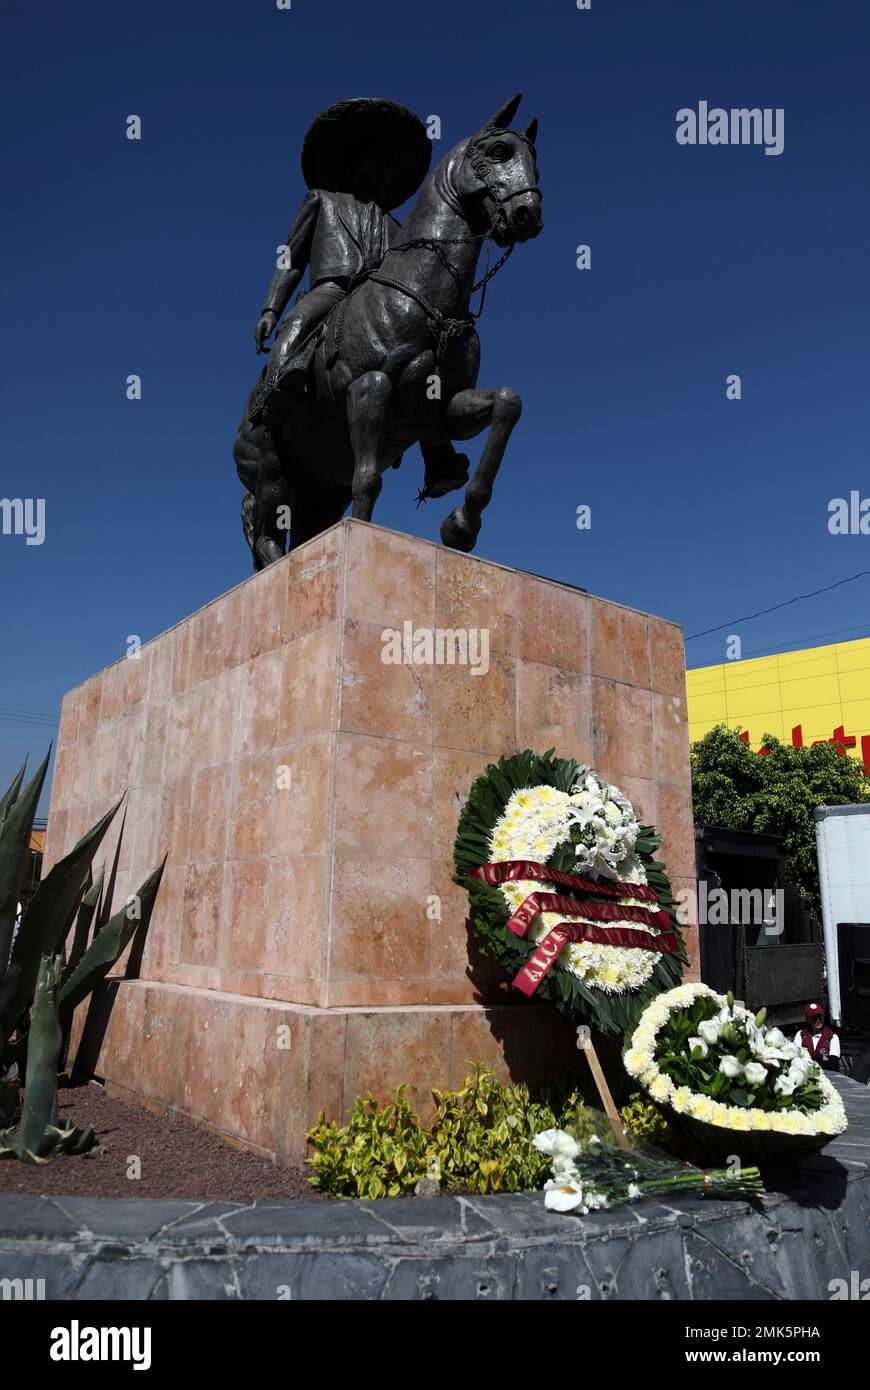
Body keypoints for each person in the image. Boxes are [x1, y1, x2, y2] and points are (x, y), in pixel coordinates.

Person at [248, 97, 468, 498]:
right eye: (372, 163)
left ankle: (438, 453)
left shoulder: (400, 227)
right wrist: (270, 308)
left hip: (379, 304)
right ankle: (277, 391)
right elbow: (291, 261)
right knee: (299, 324)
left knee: (419, 356)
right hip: (332, 291)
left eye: (386, 167)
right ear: (354, 168)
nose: (380, 171)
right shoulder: (323, 201)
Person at [794, 1002, 841, 1071]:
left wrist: (806, 1057)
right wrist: (821, 1058)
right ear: (807, 1020)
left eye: (820, 1016)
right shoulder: (800, 1035)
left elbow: (832, 1064)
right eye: (814, 1017)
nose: (818, 1020)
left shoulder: (832, 1037)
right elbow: (795, 1059)